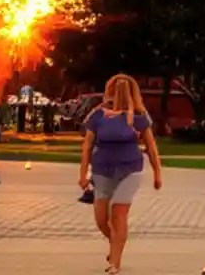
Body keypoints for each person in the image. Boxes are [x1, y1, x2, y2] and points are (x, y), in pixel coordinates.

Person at [79, 74, 164, 273]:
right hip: (102, 171)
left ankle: (115, 262)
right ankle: (116, 244)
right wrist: (83, 174)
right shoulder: (97, 116)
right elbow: (87, 146)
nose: (118, 93)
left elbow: (151, 147)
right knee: (101, 220)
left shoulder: (139, 116)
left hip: (130, 170)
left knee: (118, 213)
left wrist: (157, 173)